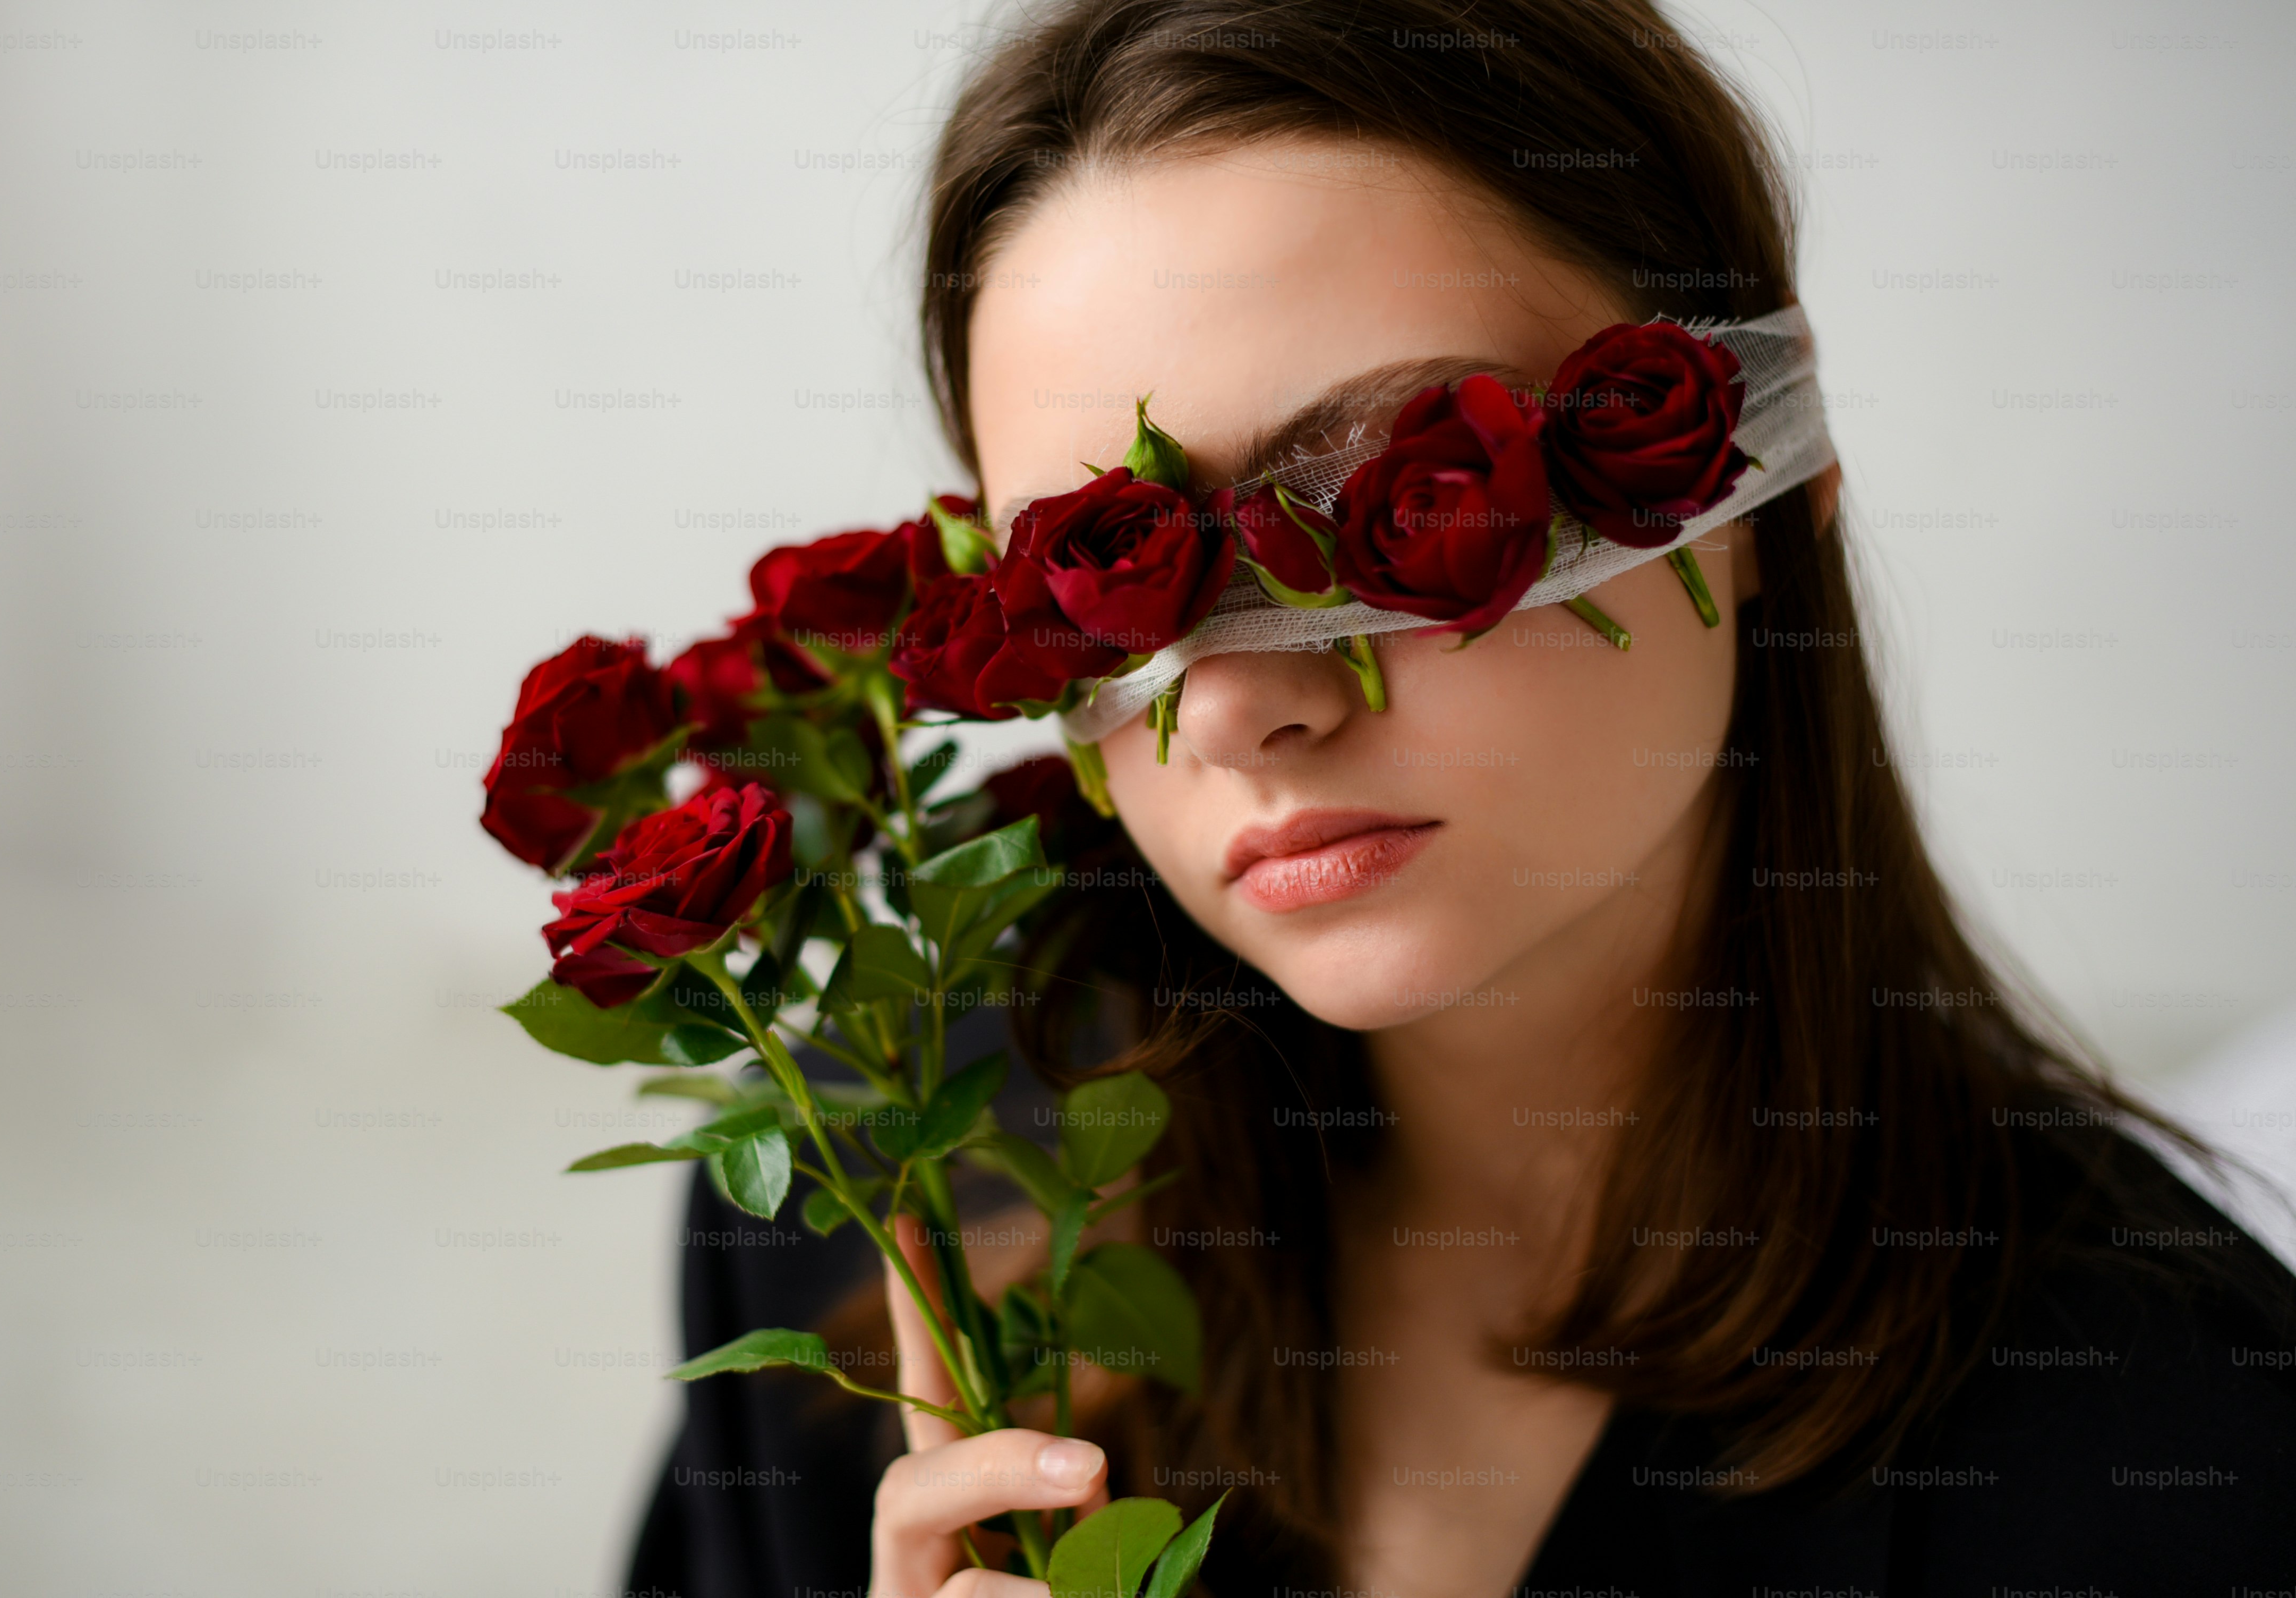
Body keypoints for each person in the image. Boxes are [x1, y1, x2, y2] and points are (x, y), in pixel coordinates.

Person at [629, 3, 2296, 1593]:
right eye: (1097, 580)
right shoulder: (872, 1192)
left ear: (1756, 487)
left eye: (1378, 502)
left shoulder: (2187, 1455)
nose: (1228, 707)